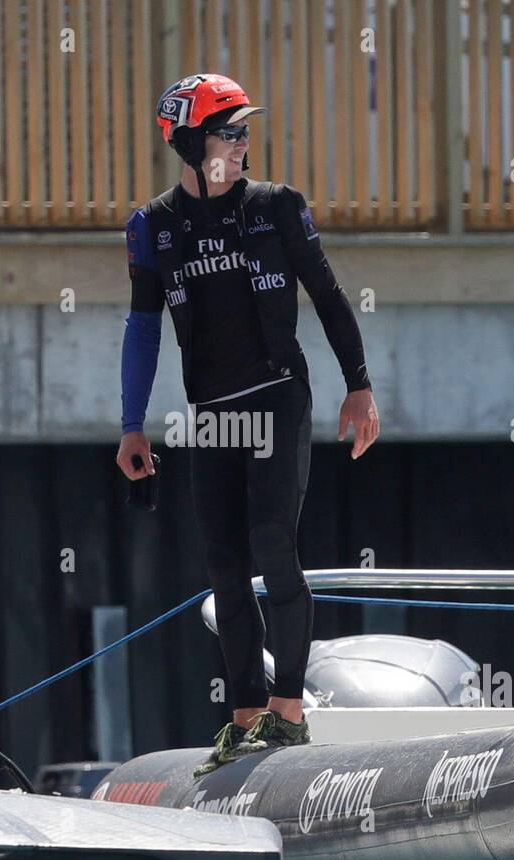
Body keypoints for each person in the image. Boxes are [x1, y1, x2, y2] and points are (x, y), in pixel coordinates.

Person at [115, 75, 380, 776]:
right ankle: (243, 718)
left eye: (243, 130)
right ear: (188, 141)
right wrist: (131, 424)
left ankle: (287, 713)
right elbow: (143, 327)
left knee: (272, 544)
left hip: (278, 397)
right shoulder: (154, 225)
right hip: (212, 415)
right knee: (225, 568)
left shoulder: (278, 206)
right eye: (228, 130)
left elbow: (327, 294)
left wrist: (359, 385)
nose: (242, 141)